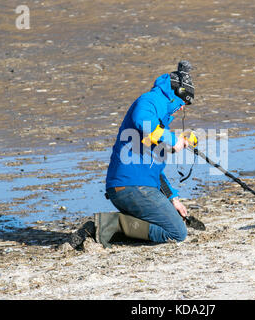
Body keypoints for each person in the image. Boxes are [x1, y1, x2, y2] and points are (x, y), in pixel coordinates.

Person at [69, 60, 195, 249]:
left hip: (138, 186)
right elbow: (141, 120)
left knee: (168, 225)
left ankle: (109, 229)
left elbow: (154, 173)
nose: (182, 108)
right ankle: (104, 226)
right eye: (183, 103)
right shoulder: (150, 100)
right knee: (177, 233)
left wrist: (173, 199)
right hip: (131, 187)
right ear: (177, 94)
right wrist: (173, 140)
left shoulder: (160, 120)